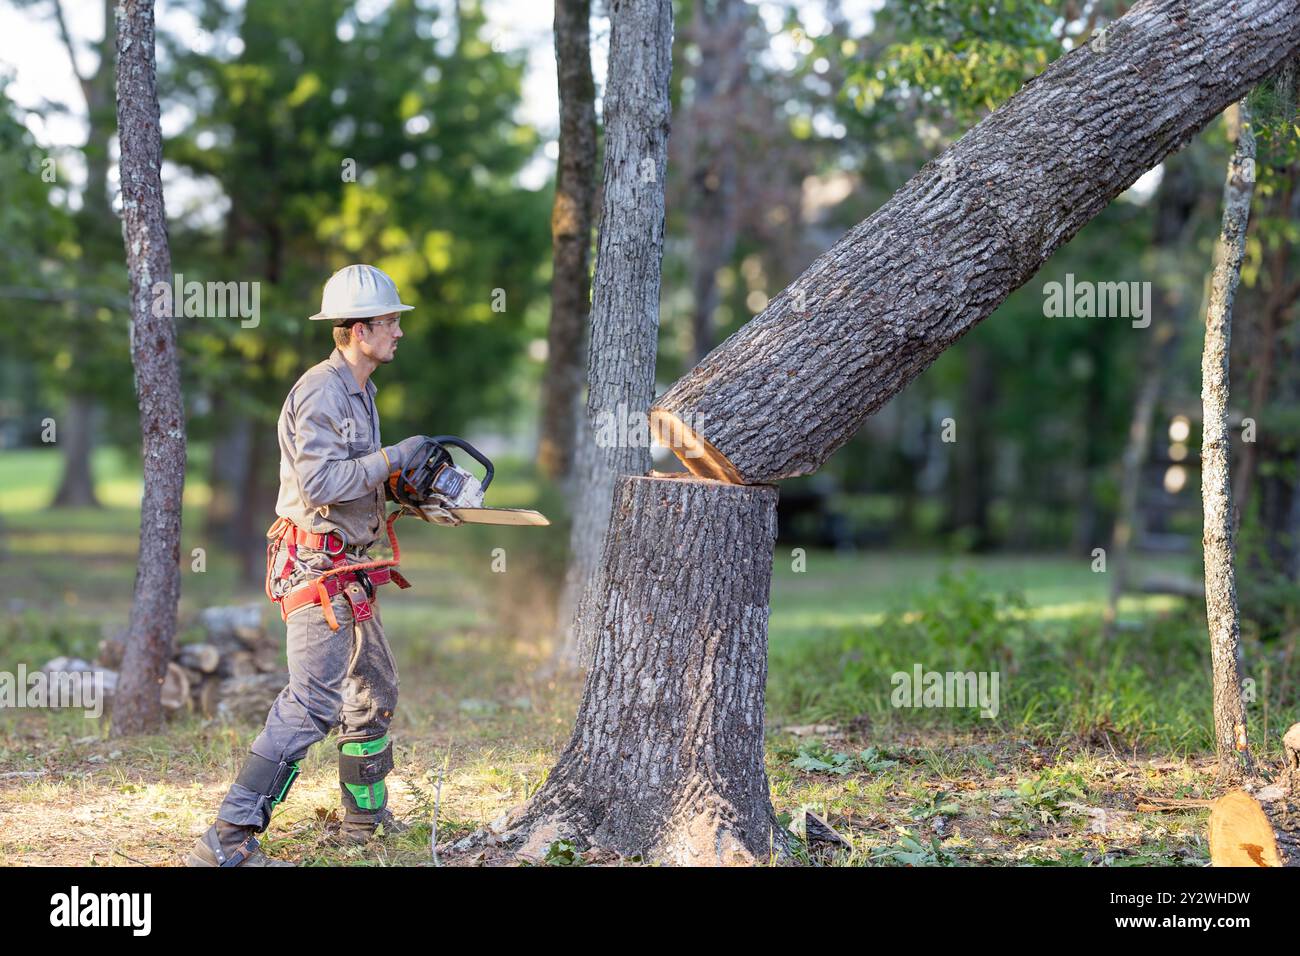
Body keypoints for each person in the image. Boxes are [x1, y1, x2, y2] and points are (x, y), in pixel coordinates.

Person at [187, 264, 432, 866]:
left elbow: (355, 477)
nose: (398, 331)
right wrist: (394, 455)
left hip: (346, 564)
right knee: (312, 702)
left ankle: (364, 820)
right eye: (389, 321)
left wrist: (404, 487)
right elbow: (320, 481)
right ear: (355, 329)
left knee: (372, 689)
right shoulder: (321, 391)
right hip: (315, 568)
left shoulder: (361, 389)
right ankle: (228, 839)